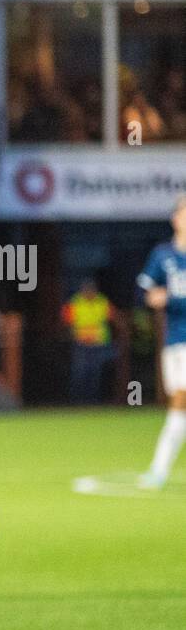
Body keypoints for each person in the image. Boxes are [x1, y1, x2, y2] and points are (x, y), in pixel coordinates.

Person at [137, 195, 186, 489]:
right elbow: (149, 294)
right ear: (175, 218)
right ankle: (159, 469)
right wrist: (159, 298)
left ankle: (159, 468)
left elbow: (165, 297)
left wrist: (172, 298)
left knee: (181, 399)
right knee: (178, 402)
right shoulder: (163, 255)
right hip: (175, 339)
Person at [62, 279, 113, 404]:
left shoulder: (102, 301)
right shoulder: (75, 303)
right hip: (81, 344)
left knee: (95, 374)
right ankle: (77, 401)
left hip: (98, 343)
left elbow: (113, 318)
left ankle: (93, 401)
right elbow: (65, 322)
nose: (89, 293)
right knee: (79, 373)